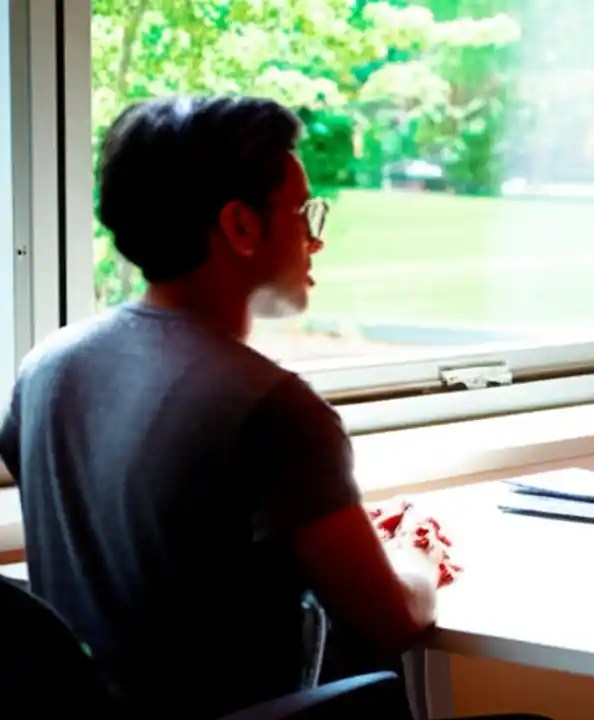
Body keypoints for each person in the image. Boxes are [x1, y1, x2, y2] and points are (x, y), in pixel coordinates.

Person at [0, 96, 544, 720]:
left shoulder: (45, 369)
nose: (317, 239)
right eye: (303, 213)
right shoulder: (273, 409)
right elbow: (392, 620)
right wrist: (418, 553)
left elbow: (159, 531)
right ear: (240, 227)